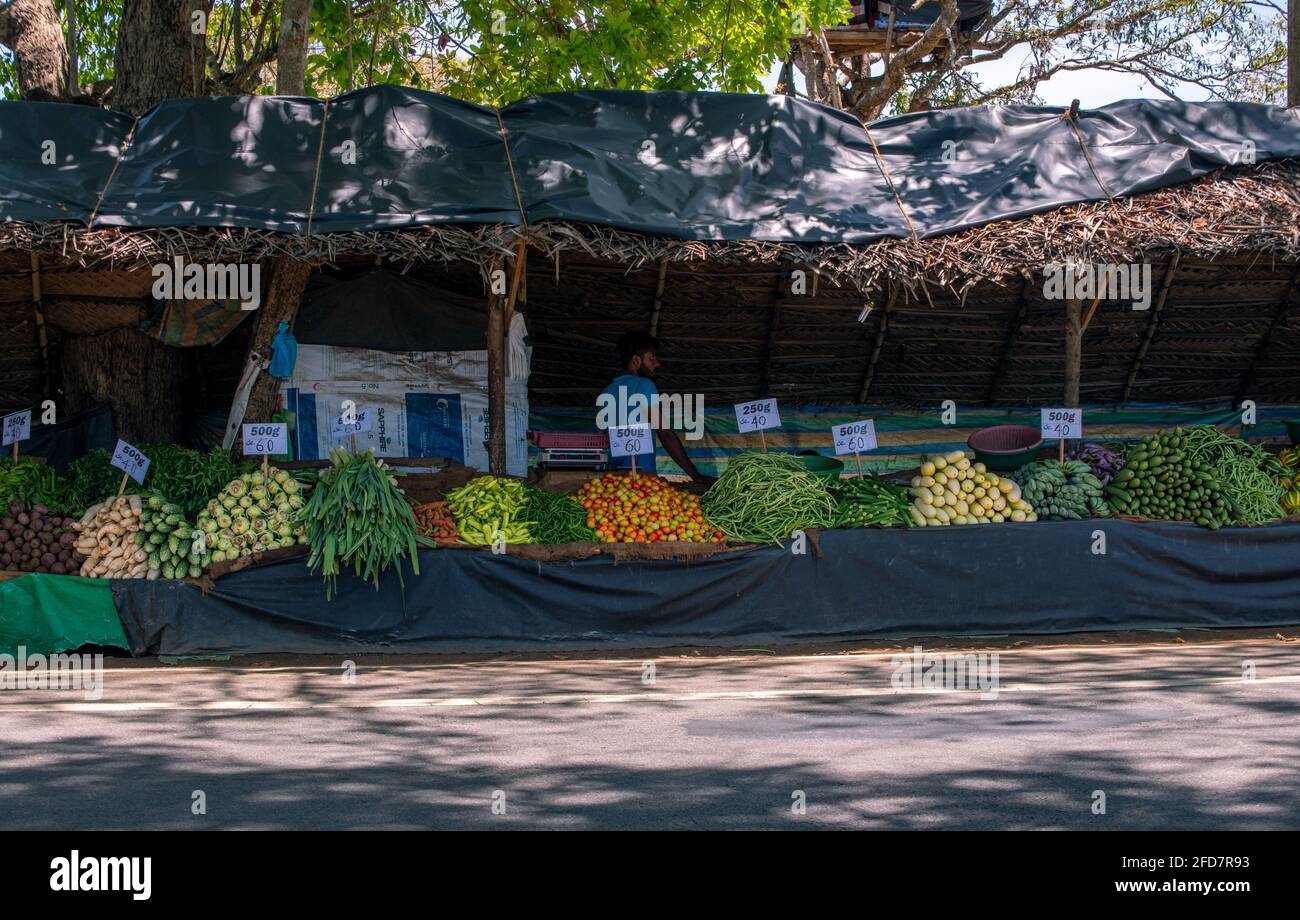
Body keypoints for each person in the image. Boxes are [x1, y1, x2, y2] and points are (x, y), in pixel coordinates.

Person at [599, 331, 712, 487]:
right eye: (651, 358)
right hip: (641, 480)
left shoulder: (607, 391)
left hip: (611, 481)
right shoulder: (645, 385)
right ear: (636, 360)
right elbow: (666, 434)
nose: (656, 363)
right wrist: (696, 476)